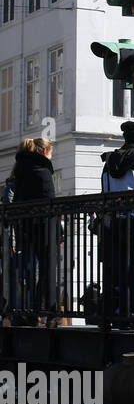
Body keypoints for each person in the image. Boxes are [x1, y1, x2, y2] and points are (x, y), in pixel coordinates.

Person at [99, 121, 134, 330]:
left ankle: (113, 311)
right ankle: (133, 311)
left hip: (112, 220)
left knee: (114, 267)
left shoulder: (109, 161)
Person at [9, 138, 56, 324]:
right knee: (46, 268)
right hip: (42, 225)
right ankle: (43, 310)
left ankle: (20, 311)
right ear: (44, 152)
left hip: (23, 225)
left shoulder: (20, 170)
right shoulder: (42, 170)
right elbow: (49, 199)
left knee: (24, 271)